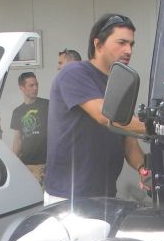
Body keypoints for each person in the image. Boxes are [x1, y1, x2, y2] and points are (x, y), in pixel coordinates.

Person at [43, 14, 147, 204]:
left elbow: (129, 141)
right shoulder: (74, 73)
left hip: (105, 195)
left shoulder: (121, 84)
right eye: (122, 43)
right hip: (69, 197)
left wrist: (143, 169)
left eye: (131, 44)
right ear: (98, 44)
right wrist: (160, 128)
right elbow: (104, 115)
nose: (128, 50)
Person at [9, 72, 49, 185]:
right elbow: (17, 139)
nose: (35, 88)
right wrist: (13, 163)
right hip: (25, 164)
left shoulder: (47, 105)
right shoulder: (17, 112)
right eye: (31, 85)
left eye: (36, 84)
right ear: (22, 88)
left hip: (43, 162)